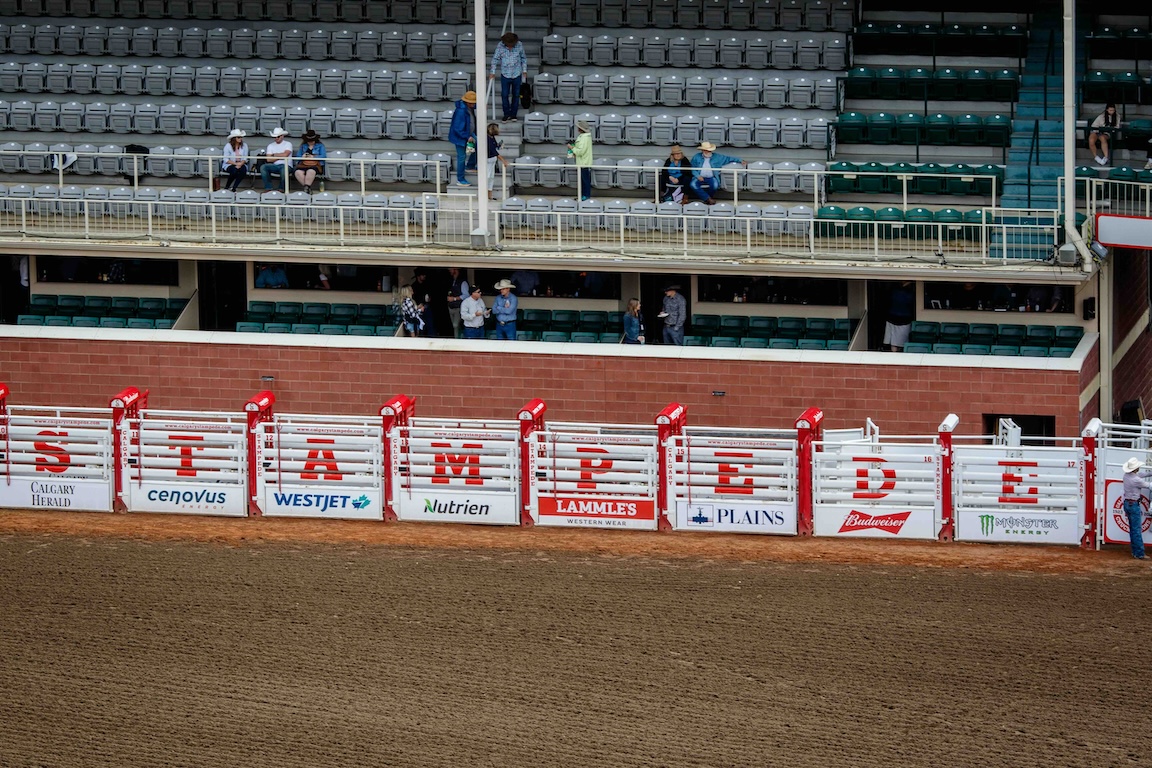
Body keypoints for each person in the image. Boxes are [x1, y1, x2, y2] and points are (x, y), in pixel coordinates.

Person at [488, 32, 527, 123]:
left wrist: (524, 70)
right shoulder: (500, 46)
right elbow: (495, 59)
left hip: (517, 73)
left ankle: (514, 114)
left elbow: (523, 58)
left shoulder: (519, 45)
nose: (510, 46)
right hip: (505, 74)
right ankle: (506, 114)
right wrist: (492, 72)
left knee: (516, 95)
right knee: (504, 95)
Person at [1121, 457, 1152, 560]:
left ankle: (1136, 552)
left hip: (1127, 503)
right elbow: (1149, 485)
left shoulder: (1126, 476)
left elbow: (1140, 475)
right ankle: (1139, 553)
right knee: (1136, 530)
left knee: (1133, 529)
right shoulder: (1135, 479)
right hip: (1133, 505)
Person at [448, 90, 478, 186]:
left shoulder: (468, 107)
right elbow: (457, 128)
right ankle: (460, 179)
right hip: (460, 136)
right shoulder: (461, 111)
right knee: (461, 157)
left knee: (479, 145)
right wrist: (467, 136)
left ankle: (470, 166)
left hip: (469, 132)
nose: (474, 104)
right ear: (468, 102)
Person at [293, 129, 326, 194]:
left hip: (315, 165)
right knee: (297, 172)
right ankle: (308, 188)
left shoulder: (320, 146)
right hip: (303, 164)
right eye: (309, 141)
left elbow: (323, 156)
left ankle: (306, 190)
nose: (310, 142)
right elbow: (297, 157)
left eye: (312, 141)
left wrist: (313, 157)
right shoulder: (303, 146)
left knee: (310, 171)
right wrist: (302, 156)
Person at [884, 280, 915, 352]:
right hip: (903, 319)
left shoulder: (894, 292)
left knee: (893, 342)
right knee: (902, 342)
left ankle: (894, 356)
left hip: (893, 317)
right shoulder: (909, 294)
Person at [567, 119, 594, 201]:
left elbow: (581, 151)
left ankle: (585, 196)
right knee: (583, 180)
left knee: (585, 181)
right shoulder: (584, 137)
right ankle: (582, 195)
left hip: (583, 162)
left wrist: (572, 148)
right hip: (583, 161)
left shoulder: (584, 138)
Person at [486, 122, 510, 201]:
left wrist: (499, 145)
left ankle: (489, 195)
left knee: (491, 177)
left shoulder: (492, 137)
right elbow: (494, 152)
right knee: (488, 177)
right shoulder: (487, 139)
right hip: (488, 160)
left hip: (492, 160)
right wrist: (503, 160)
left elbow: (495, 147)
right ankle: (485, 195)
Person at [220, 128, 249, 192]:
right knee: (234, 170)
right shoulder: (228, 146)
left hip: (241, 163)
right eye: (238, 137)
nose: (240, 139)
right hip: (230, 164)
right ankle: (227, 186)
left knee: (243, 170)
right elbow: (226, 159)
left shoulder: (245, 145)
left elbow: (245, 157)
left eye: (241, 137)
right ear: (234, 138)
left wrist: (240, 164)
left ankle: (234, 188)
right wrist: (236, 164)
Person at [446, 267, 469, 339]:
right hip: (451, 307)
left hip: (459, 307)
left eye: (450, 269)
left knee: (456, 325)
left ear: (455, 269)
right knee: (454, 326)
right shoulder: (452, 280)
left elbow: (466, 295)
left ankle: (457, 340)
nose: (449, 270)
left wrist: (454, 298)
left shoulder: (463, 282)